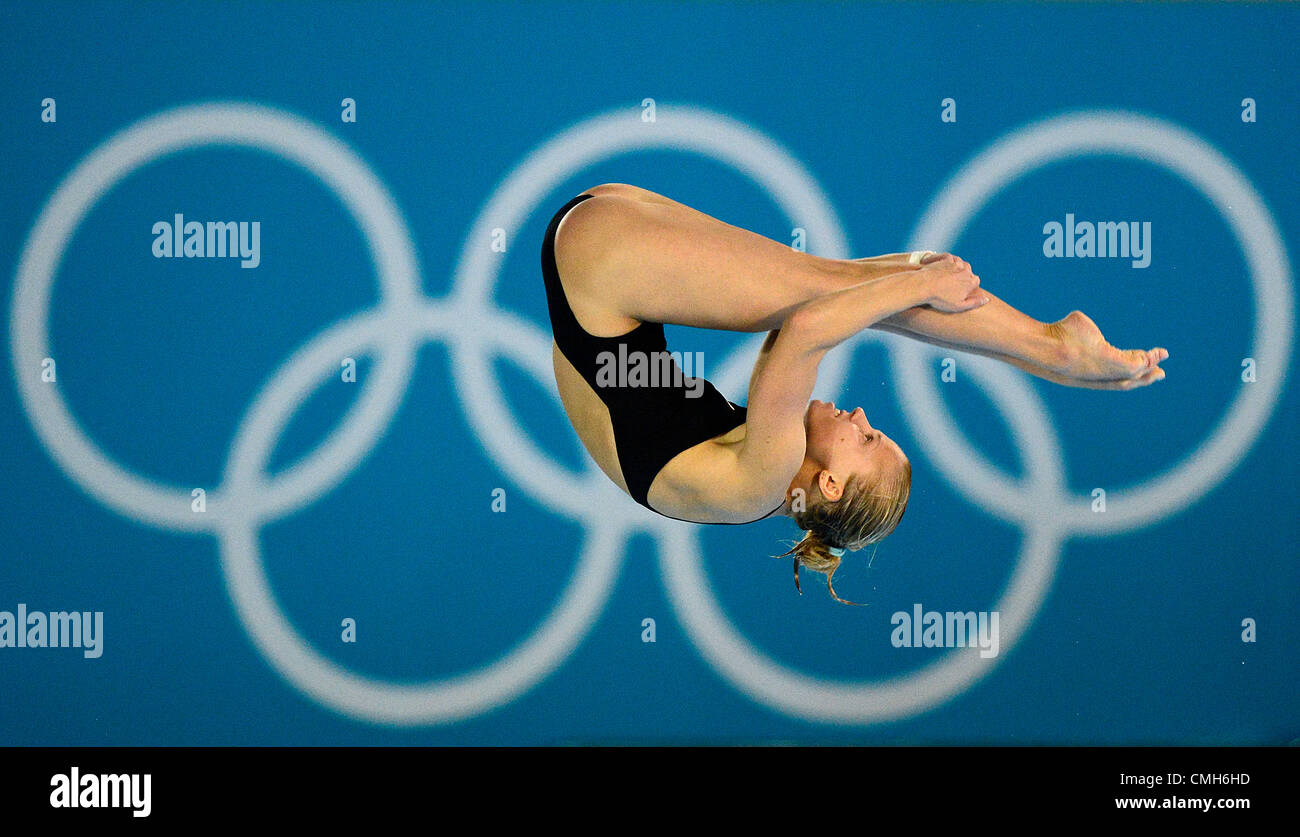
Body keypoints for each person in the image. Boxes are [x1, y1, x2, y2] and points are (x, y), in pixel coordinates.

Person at [541, 183, 1167, 602]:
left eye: (866, 438)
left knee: (838, 290)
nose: (863, 415)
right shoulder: (765, 477)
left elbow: (810, 327)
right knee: (847, 286)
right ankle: (1049, 350)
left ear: (831, 485)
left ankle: (1052, 350)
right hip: (594, 257)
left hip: (603, 258)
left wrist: (915, 283)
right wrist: (906, 278)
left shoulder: (765, 476)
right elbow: (800, 329)